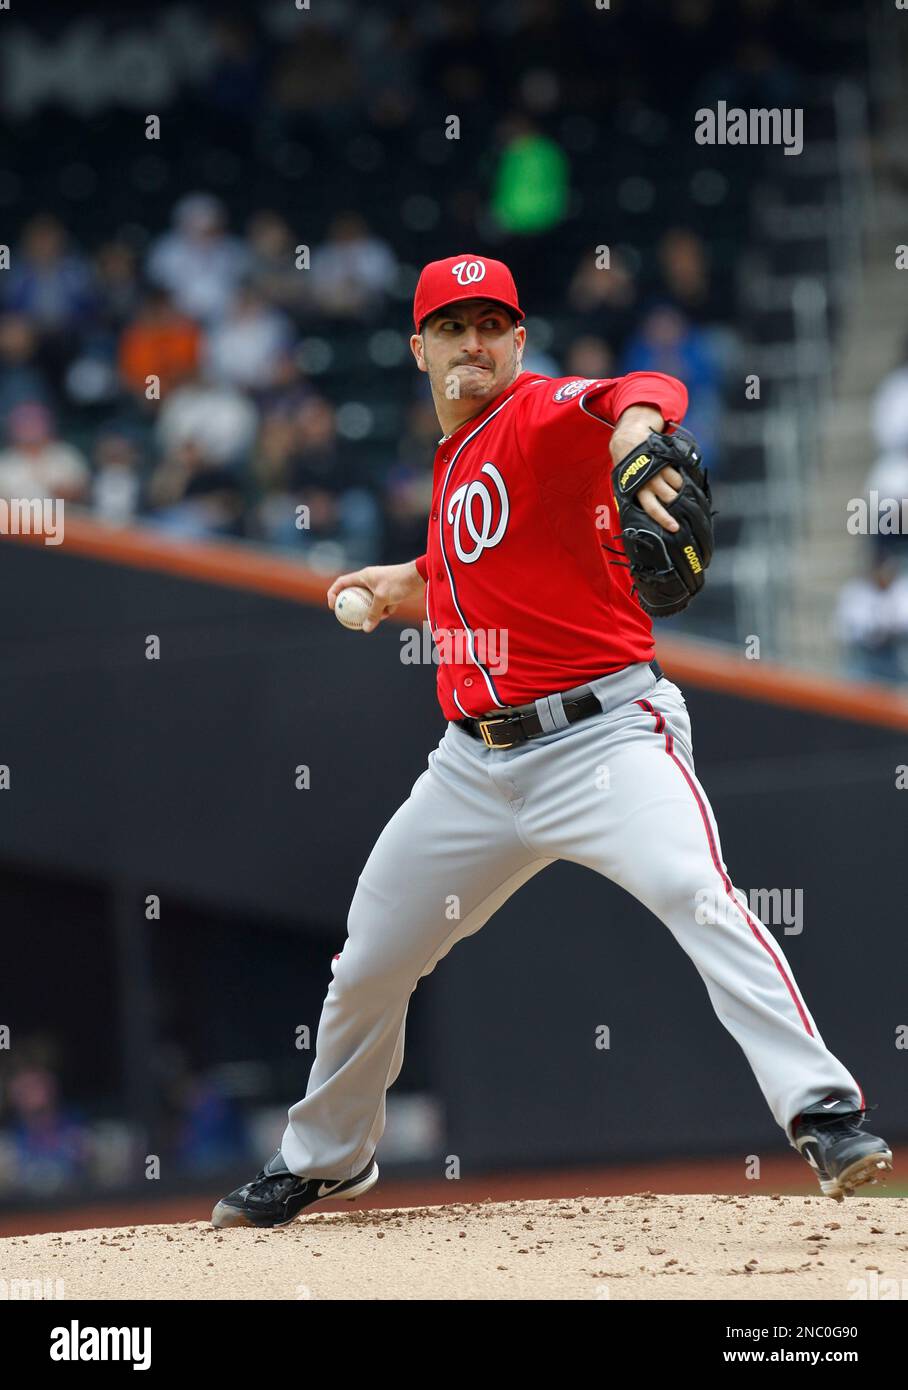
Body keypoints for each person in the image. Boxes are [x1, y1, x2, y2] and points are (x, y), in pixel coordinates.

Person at [212, 254, 893, 1229]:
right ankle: (326, 1159)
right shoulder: (453, 464)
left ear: (518, 341)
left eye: (492, 324)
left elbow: (637, 389)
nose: (473, 342)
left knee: (693, 893)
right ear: (419, 350)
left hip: (602, 739)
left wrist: (635, 437)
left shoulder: (536, 413)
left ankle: (821, 1109)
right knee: (368, 960)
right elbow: (472, 565)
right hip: (470, 768)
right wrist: (404, 581)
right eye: (452, 327)